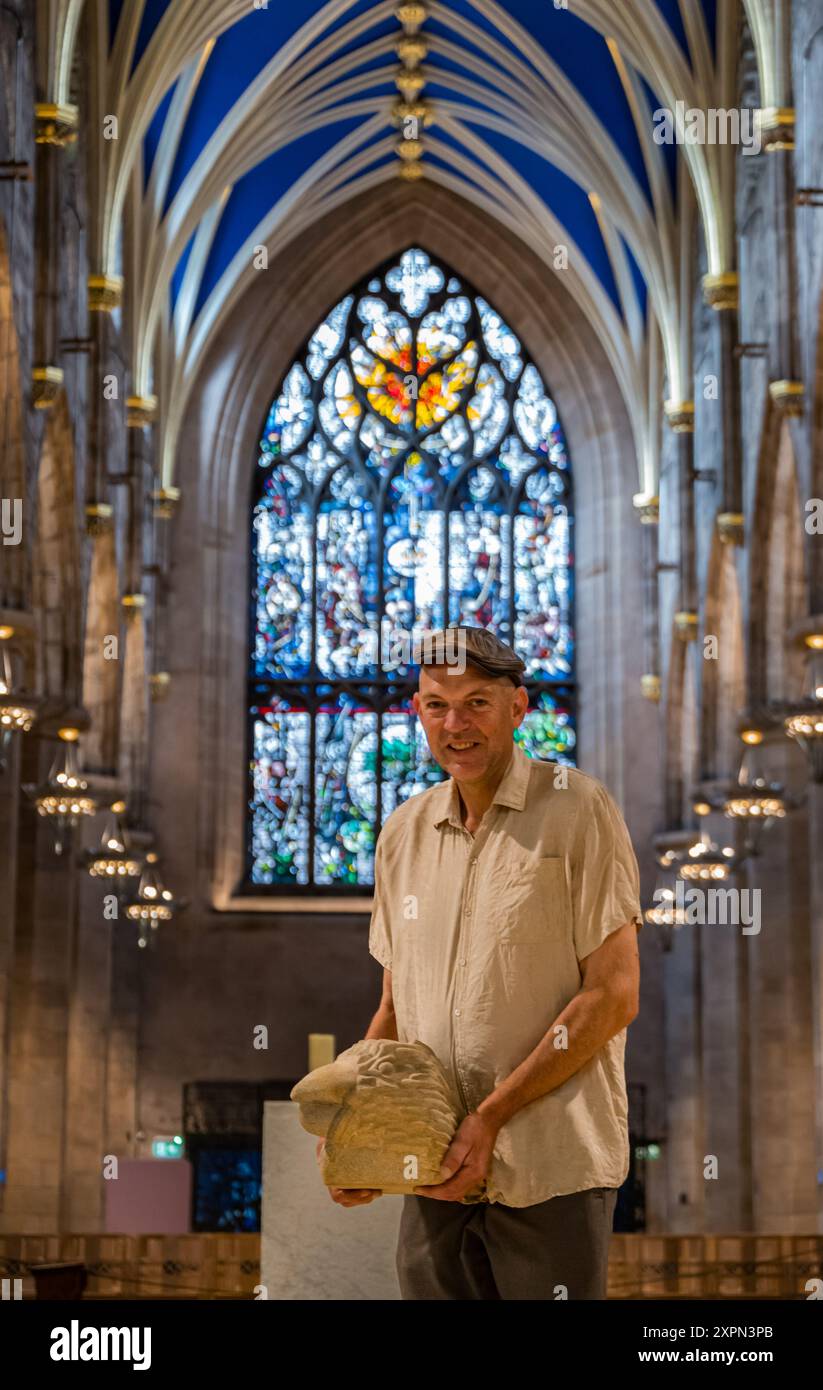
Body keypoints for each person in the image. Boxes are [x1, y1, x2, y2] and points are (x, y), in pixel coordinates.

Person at [323, 626, 643, 1300]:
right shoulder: (401, 832)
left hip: (548, 1165)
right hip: (432, 1167)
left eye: (476, 703)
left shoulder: (576, 808)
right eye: (436, 705)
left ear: (518, 707)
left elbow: (612, 997)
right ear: (417, 713)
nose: (455, 724)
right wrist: (355, 1126)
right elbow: (393, 1010)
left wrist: (490, 1118)